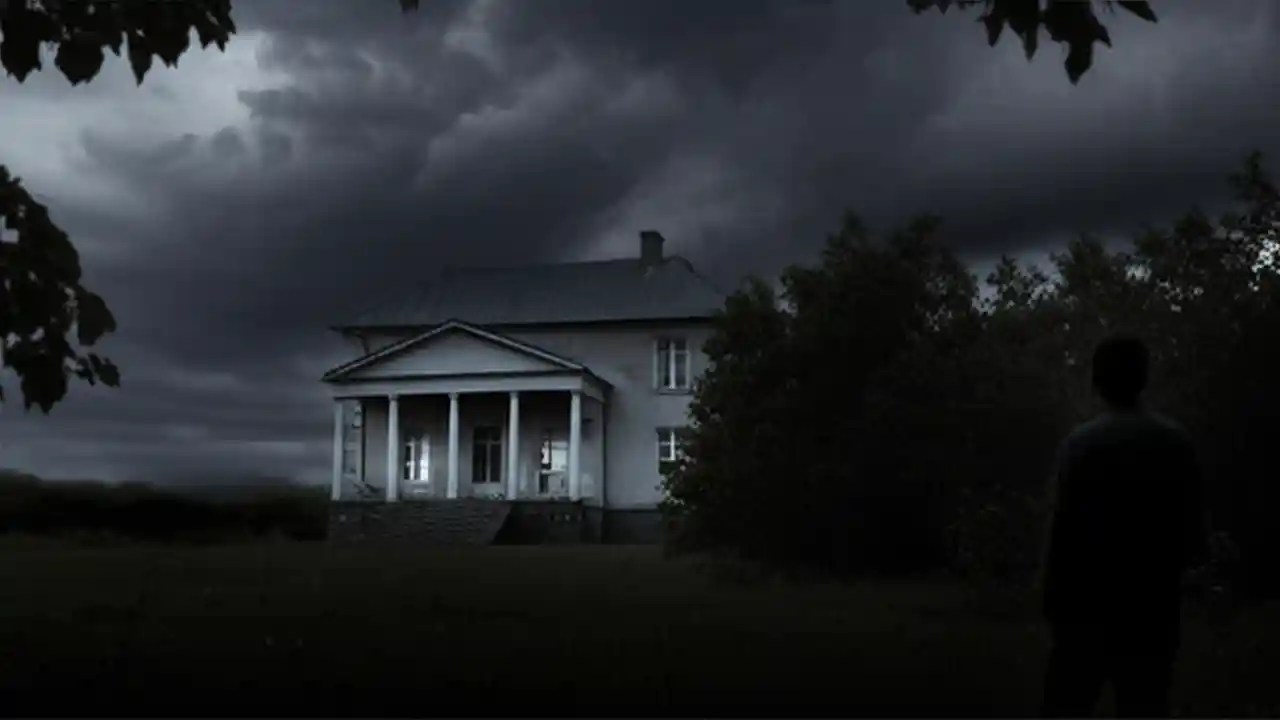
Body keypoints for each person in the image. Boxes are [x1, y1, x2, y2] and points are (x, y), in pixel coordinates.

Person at [1040, 334, 1208, 718]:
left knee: (1066, 703)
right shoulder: (1175, 442)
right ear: (1144, 377)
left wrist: (1051, 592)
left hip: (1085, 607)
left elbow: (1063, 527)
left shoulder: (1081, 444)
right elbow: (1193, 536)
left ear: (1096, 380)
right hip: (1152, 607)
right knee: (1145, 704)